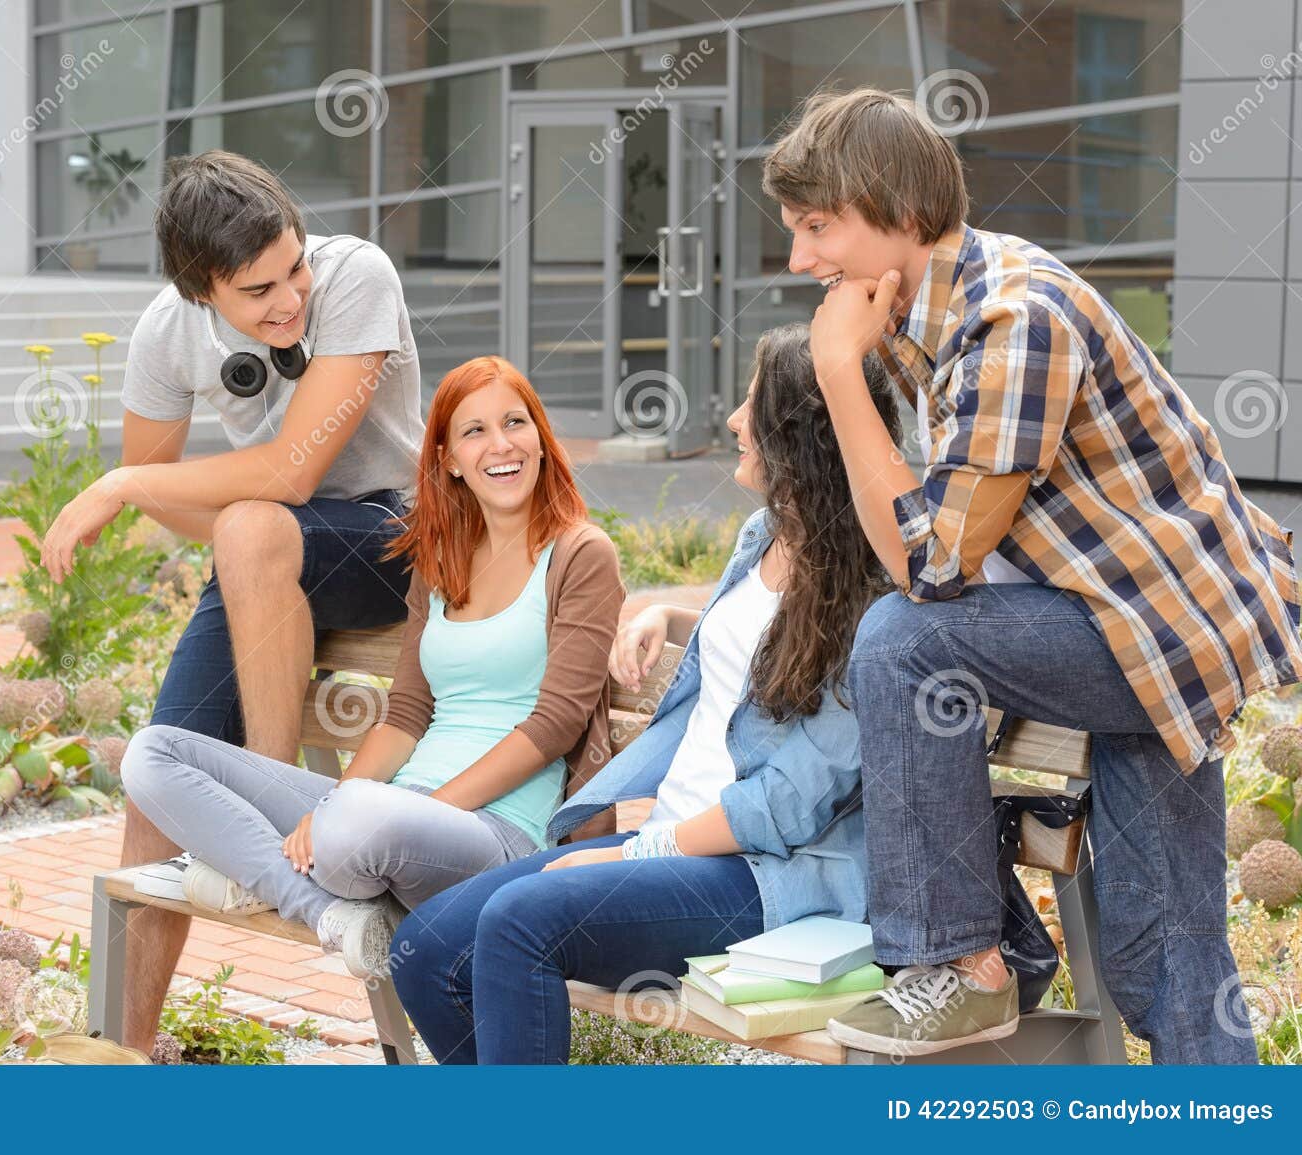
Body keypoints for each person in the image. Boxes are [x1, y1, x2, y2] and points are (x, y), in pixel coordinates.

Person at [762, 87, 1302, 1061]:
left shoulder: (1015, 319)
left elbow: (926, 568)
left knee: (901, 645)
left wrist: (837, 373)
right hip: (1107, 621)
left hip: (1159, 630)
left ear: (897, 210)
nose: (802, 259)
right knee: (1167, 955)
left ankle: (962, 967)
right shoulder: (921, 309)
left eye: (816, 227)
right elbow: (928, 553)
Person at [390, 326, 902, 1064]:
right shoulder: (765, 534)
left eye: (751, 407)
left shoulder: (873, 597)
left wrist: (638, 851)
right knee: (425, 947)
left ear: (798, 437)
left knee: (516, 924)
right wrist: (670, 617)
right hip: (671, 840)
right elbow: (766, 641)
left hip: (765, 871)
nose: (731, 421)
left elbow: (789, 803)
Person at [38, 150, 425, 1052]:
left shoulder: (356, 275)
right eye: (259, 291)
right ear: (201, 289)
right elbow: (182, 510)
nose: (290, 298)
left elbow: (293, 471)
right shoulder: (165, 334)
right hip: (264, 554)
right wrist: (141, 486)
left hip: (397, 538)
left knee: (250, 521)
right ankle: (125, 1054)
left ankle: (273, 825)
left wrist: (124, 482)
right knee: (150, 775)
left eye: (293, 267)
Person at [120, 355, 623, 984]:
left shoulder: (580, 554)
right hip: (393, 809)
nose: (501, 445)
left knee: (355, 825)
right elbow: (409, 713)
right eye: (474, 431)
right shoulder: (442, 560)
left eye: (515, 423)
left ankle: (264, 874)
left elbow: (556, 725)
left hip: (498, 830)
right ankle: (334, 914)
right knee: (152, 754)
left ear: (541, 440)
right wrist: (336, 801)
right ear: (448, 459)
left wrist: (395, 810)